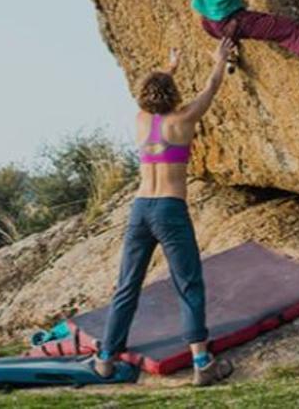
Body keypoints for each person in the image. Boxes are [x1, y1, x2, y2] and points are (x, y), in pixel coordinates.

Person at [94, 39, 236, 387]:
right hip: (170, 208)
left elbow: (152, 92)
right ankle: (202, 363)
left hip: (141, 208)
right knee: (188, 284)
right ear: (172, 94)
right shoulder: (185, 118)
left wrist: (169, 67)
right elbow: (212, 86)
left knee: (127, 284)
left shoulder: (142, 120)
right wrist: (220, 58)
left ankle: (105, 359)